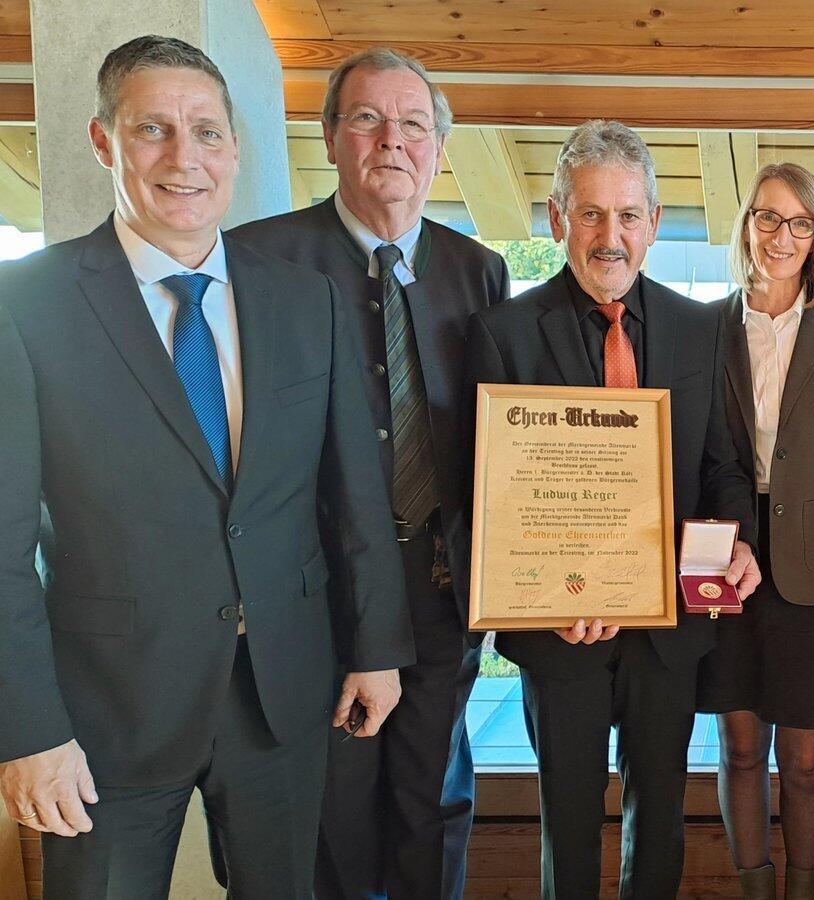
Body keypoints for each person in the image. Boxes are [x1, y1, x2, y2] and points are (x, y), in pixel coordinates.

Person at [0, 35, 412, 898]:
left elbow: (353, 494)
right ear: (104, 140)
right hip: (105, 715)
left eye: (208, 132)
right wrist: (26, 732)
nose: (185, 158)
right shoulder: (24, 307)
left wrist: (376, 647)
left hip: (283, 695)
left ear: (235, 148)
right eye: (154, 129)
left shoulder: (306, 299)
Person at [227, 48, 509, 900]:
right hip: (310, 592)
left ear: (439, 147)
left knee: (432, 797)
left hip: (439, 584)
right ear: (330, 136)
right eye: (368, 119)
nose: (393, 141)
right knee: (332, 811)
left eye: (414, 124)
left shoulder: (478, 269)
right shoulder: (256, 260)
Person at [465, 119, 760, 900]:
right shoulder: (504, 335)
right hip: (559, 633)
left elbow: (723, 467)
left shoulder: (704, 330)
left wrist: (737, 547)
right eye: (591, 214)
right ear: (559, 218)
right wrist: (542, 599)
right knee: (566, 819)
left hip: (668, 629)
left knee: (660, 814)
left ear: (654, 224)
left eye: (628, 215)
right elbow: (489, 497)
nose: (610, 236)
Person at [697, 162, 814, 900]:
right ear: (746, 225)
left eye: (799, 223)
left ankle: (802, 891)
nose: (781, 236)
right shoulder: (706, 325)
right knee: (742, 751)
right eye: (768, 218)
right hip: (728, 556)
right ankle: (753, 888)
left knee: (807, 762)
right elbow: (705, 454)